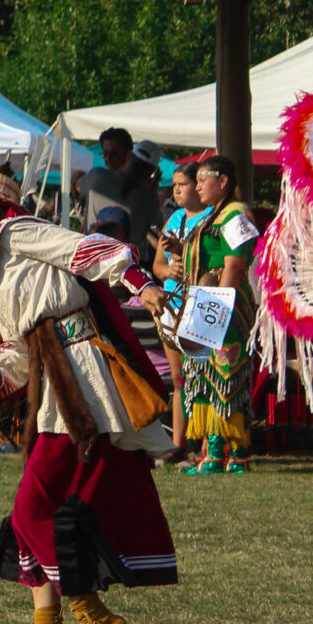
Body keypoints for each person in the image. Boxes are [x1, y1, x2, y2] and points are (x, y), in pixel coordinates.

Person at [0, 170, 176, 624]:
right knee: (32, 511)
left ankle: (91, 617)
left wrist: (141, 283)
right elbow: (20, 348)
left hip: (81, 381)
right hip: (54, 381)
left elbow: (87, 250)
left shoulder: (14, 232)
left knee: (33, 505)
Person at [174, 155, 260, 475]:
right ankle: (212, 452)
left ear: (223, 181)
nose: (196, 185)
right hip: (206, 298)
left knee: (225, 372)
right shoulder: (213, 216)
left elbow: (235, 265)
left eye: (202, 179)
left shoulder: (236, 215)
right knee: (204, 374)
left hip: (223, 299)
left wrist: (218, 309)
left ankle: (235, 454)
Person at [151, 162, 208, 464]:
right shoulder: (173, 218)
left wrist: (187, 259)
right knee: (178, 377)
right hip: (172, 303)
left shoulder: (213, 218)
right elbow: (157, 266)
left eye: (182, 184)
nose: (176, 190)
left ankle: (208, 443)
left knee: (203, 373)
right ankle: (178, 445)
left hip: (201, 301)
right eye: (174, 185)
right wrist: (168, 269)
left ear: (198, 186)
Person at [77, 127, 132, 226]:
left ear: (128, 154)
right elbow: (76, 183)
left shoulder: (96, 176)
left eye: (114, 153)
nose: (109, 158)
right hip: (95, 240)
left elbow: (76, 183)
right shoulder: (96, 177)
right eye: (105, 154)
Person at [120, 140, 164, 259]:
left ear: (128, 157)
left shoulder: (101, 178)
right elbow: (156, 226)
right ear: (152, 170)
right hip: (132, 260)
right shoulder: (148, 197)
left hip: (97, 257)